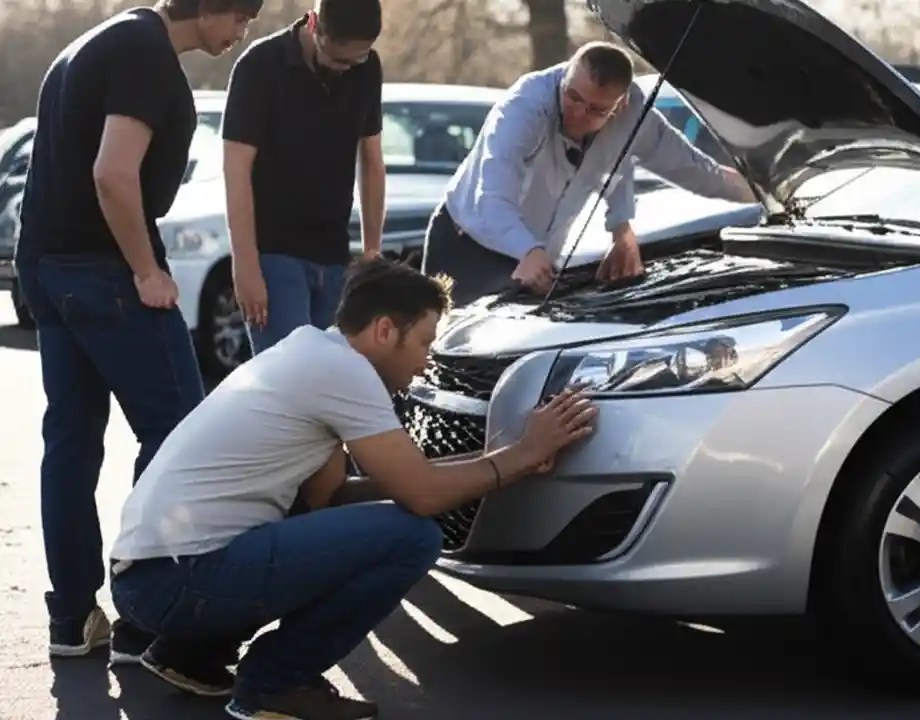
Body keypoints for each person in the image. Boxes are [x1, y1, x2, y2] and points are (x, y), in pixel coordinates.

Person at [109, 257, 597, 719]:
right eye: (425, 342)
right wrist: (523, 454)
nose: (426, 362)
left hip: (150, 581)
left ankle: (191, 653)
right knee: (414, 536)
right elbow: (421, 496)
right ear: (385, 331)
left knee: (333, 519)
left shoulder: (311, 350)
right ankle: (275, 681)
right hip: (180, 581)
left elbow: (331, 499)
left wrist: (498, 459)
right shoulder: (345, 372)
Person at [14, 0, 259, 665]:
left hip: (50, 267)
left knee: (70, 440)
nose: (244, 31)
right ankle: (145, 620)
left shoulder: (99, 42)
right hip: (106, 273)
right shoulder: (144, 54)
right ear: (211, 6)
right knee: (181, 436)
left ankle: (72, 619)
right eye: (242, 16)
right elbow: (112, 173)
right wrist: (147, 271)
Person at [421, 40, 757, 307]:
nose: (579, 115)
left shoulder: (633, 114)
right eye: (573, 97)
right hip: (468, 244)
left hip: (541, 259)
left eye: (596, 110)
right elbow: (490, 197)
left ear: (620, 104)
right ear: (565, 76)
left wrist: (760, 193)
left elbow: (686, 167)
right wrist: (527, 250)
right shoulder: (523, 107)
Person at [223, 0, 386, 356]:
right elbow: (236, 170)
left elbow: (372, 160)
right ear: (314, 25)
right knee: (287, 381)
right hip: (274, 256)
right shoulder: (260, 66)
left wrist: (372, 251)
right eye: (338, 58)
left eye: (357, 59)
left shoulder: (367, 68)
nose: (347, 68)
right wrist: (246, 265)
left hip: (333, 255)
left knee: (330, 381)